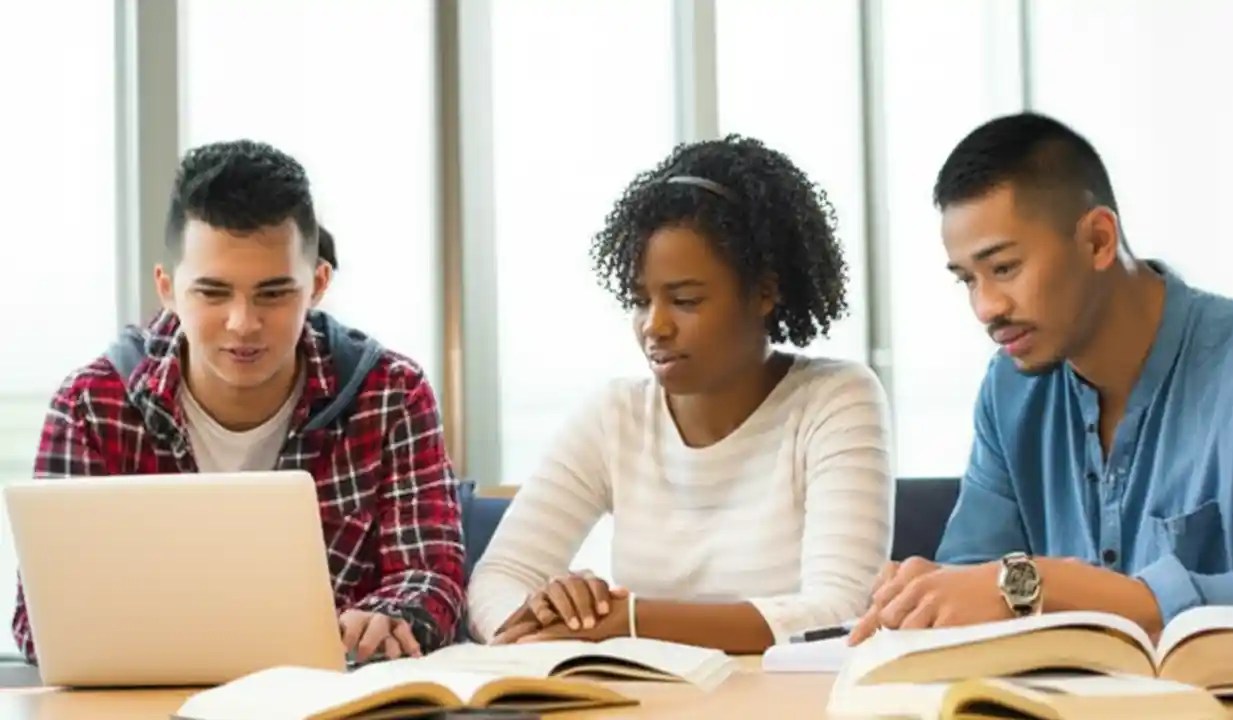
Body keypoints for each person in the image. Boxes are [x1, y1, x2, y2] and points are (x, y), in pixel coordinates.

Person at [11, 140, 465, 664]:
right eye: (212, 293)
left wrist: (393, 617)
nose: (243, 323)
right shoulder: (92, 405)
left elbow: (431, 575)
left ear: (317, 284)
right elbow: (38, 620)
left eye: (273, 294)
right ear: (168, 288)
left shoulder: (391, 395)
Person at [850, 112, 1233, 645]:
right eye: (967, 280)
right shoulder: (1010, 389)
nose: (986, 308)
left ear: (1099, 240)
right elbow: (973, 573)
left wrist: (1043, 583)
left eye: (1004, 268)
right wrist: (930, 594)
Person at [466, 135, 894, 653]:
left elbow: (838, 611)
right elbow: (498, 578)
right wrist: (545, 613)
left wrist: (630, 621)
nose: (655, 326)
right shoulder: (614, 415)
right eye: (641, 300)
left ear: (764, 292)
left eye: (685, 300)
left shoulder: (834, 399)